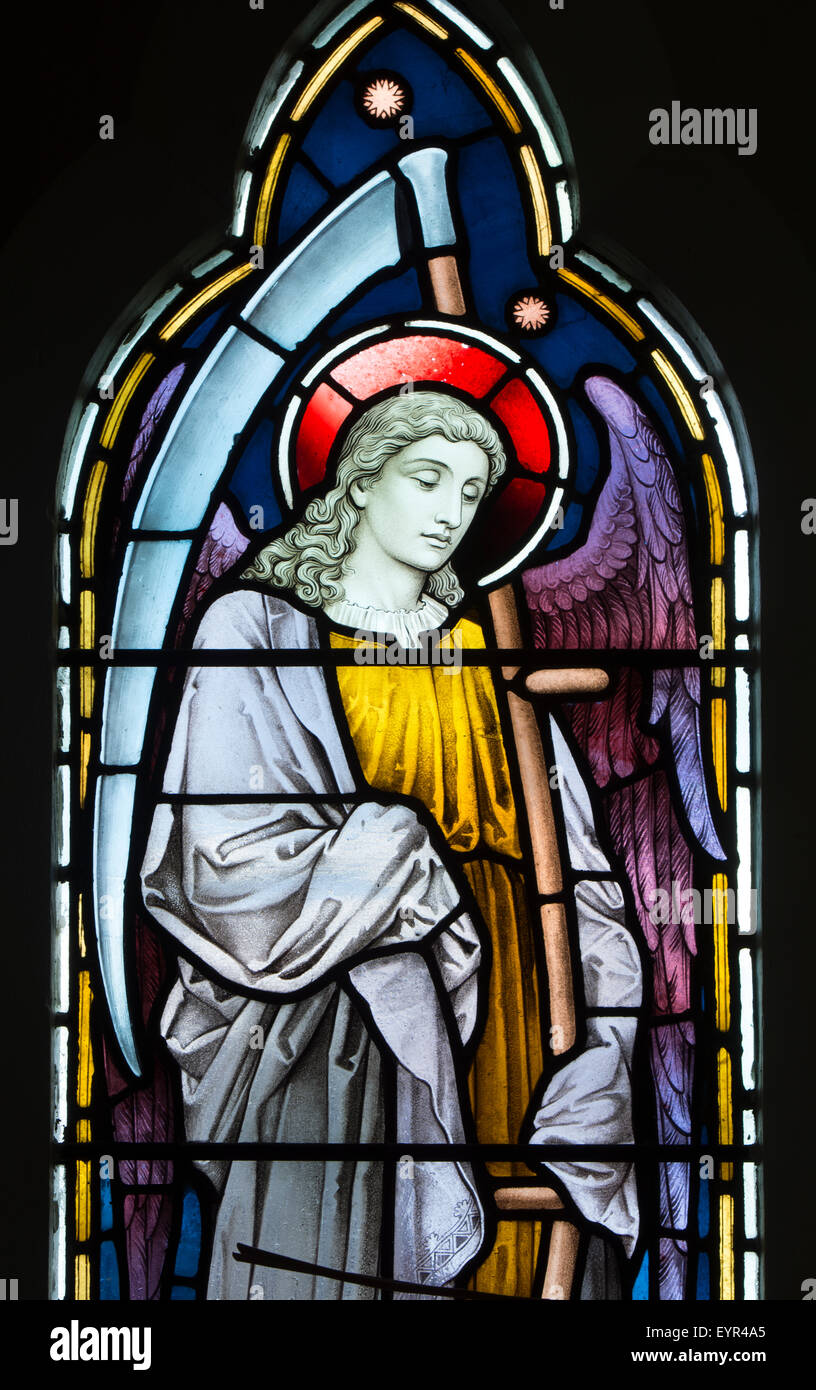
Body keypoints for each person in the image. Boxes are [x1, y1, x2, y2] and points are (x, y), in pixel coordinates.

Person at [141, 390, 642, 1300]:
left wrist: (602, 1044)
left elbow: (585, 877)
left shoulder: (491, 648)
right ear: (358, 483)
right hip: (353, 1026)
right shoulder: (255, 630)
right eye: (428, 479)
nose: (453, 511)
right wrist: (396, 853)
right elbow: (217, 860)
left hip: (517, 1018)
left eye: (474, 491)